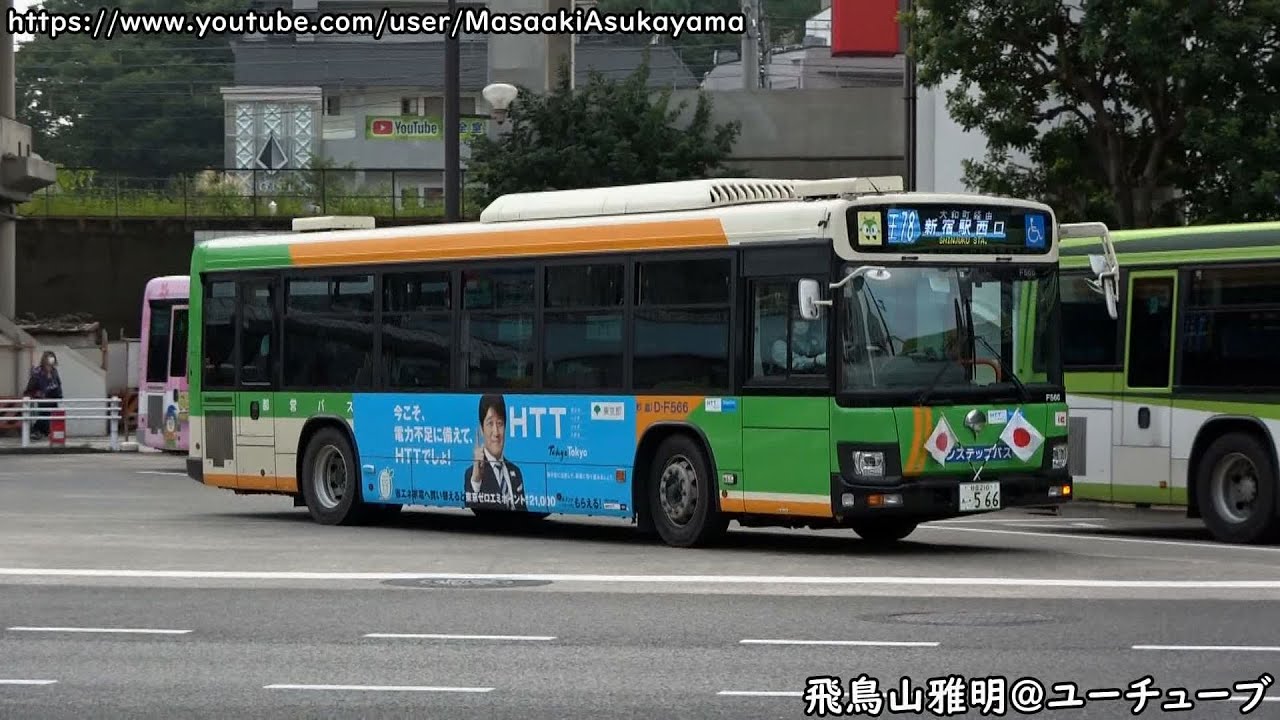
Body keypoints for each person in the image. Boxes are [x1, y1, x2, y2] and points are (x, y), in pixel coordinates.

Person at [463, 393, 526, 511]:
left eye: (500, 424)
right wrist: (476, 479)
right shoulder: (473, 474)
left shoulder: (515, 472)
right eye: (490, 424)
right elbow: (470, 505)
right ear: (481, 430)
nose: (496, 432)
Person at [24, 351, 63, 440]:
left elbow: (58, 383)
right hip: (43, 397)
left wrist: (59, 394)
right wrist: (35, 393)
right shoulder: (38, 371)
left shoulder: (54, 371)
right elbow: (31, 385)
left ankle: (43, 431)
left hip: (53, 396)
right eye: (49, 357)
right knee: (45, 413)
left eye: (52, 357)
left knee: (52, 414)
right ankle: (37, 430)